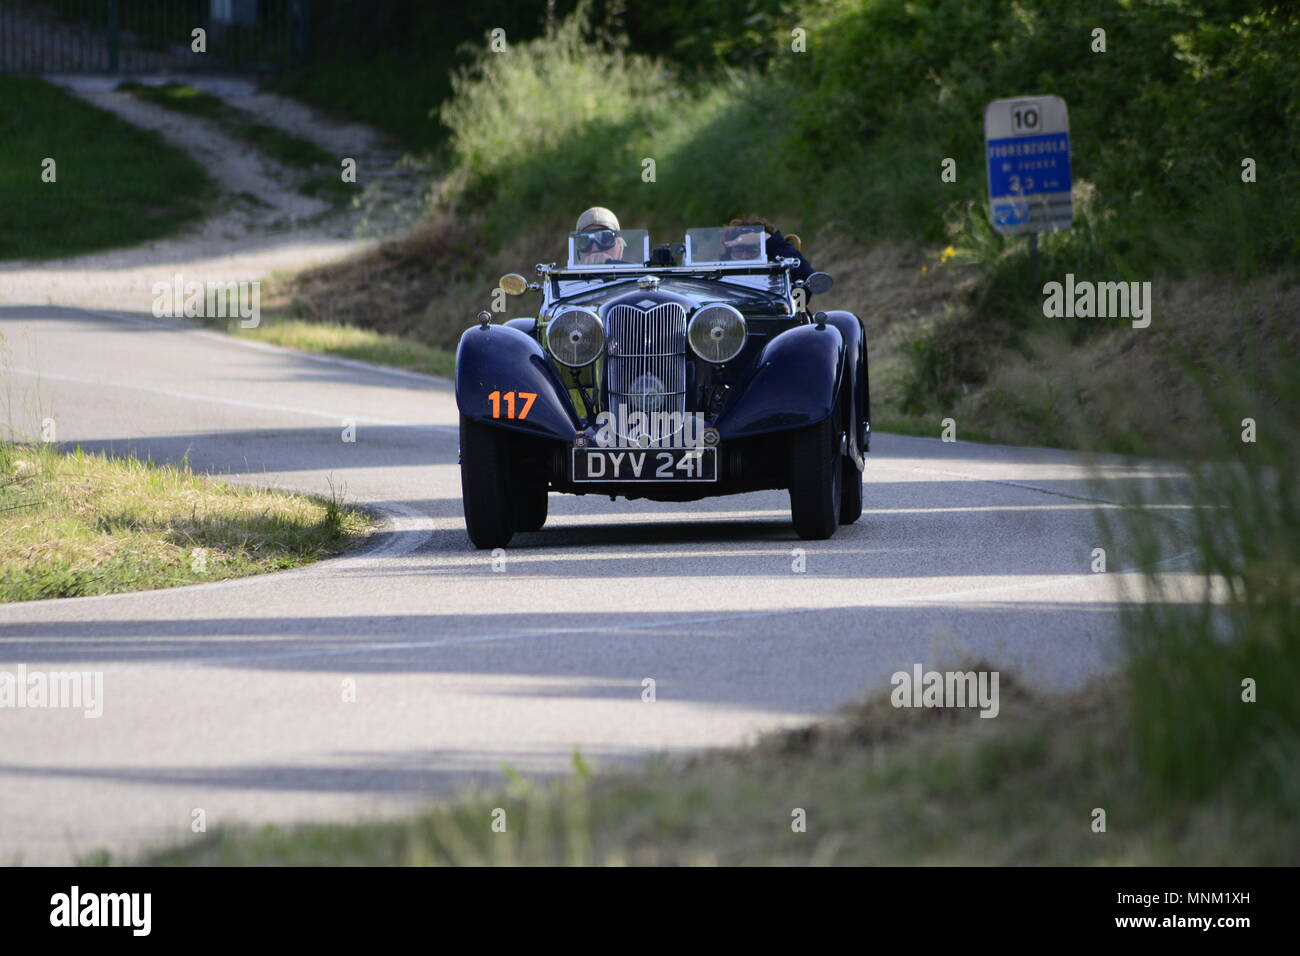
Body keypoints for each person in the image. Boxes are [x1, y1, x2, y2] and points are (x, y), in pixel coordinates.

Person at [721, 216, 815, 282]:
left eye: (752, 250)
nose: (745, 256)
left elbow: (808, 279)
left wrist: (766, 239)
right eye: (738, 250)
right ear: (729, 253)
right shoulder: (720, 273)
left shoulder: (779, 267)